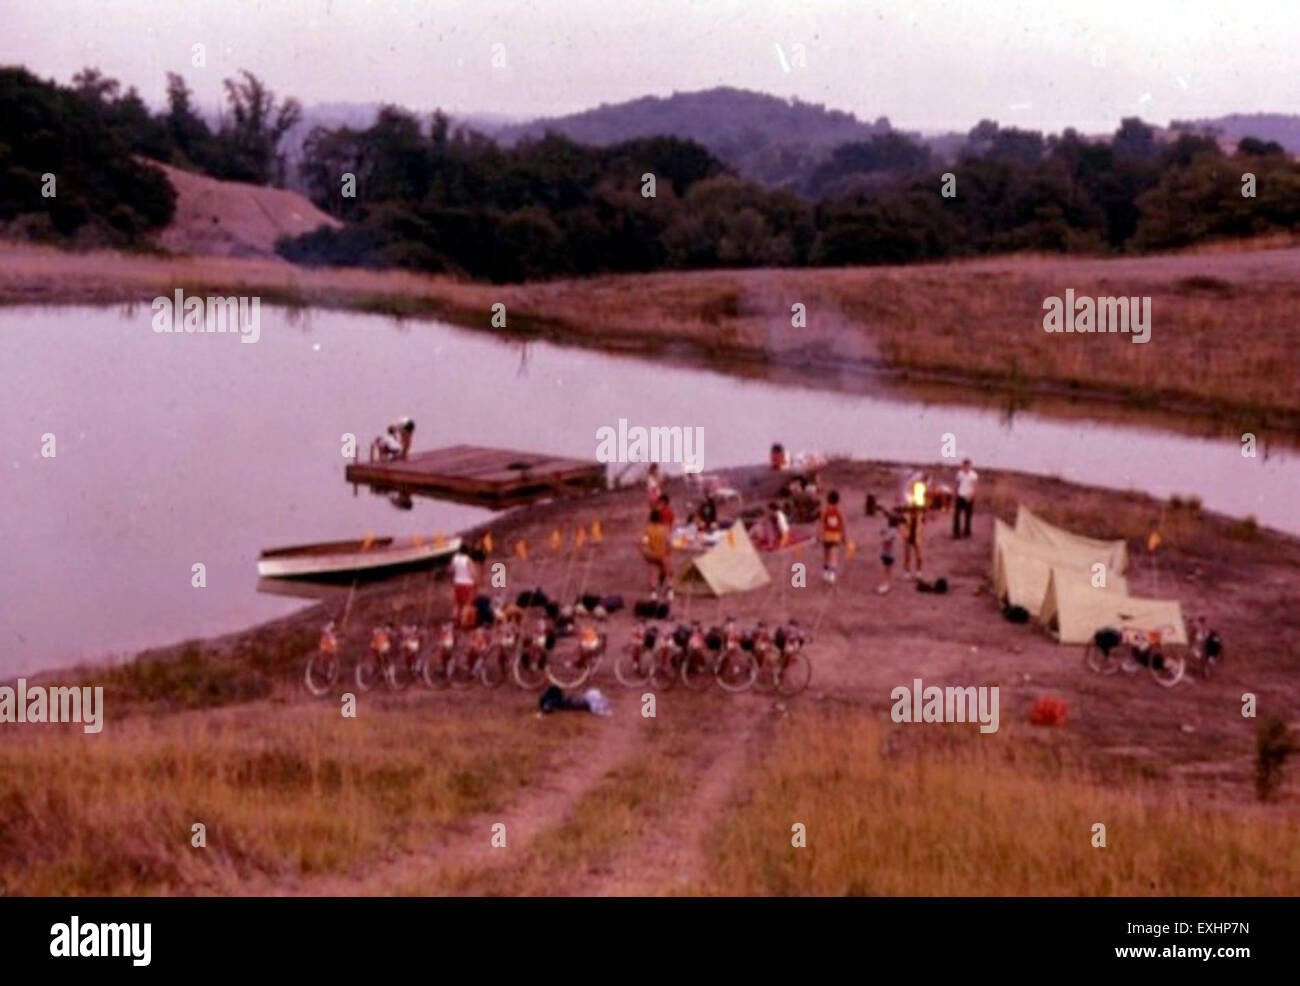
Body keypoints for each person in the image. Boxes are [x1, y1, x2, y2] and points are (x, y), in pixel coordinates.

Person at [641, 508, 673, 601]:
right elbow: (668, 543)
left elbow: (644, 542)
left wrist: (645, 553)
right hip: (662, 555)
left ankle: (653, 591)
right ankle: (669, 589)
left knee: (652, 569)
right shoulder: (664, 529)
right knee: (667, 567)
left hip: (651, 554)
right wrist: (668, 553)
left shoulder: (647, 529)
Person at [819, 489, 845, 584]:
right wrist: (844, 537)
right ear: (838, 500)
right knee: (833, 555)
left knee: (826, 555)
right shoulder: (839, 511)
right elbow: (842, 525)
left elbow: (821, 523)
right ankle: (832, 574)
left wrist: (819, 535)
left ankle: (825, 572)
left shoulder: (825, 510)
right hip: (835, 536)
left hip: (826, 535)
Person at [450, 545, 477, 622]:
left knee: (457, 603)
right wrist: (476, 581)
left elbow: (451, 570)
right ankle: (464, 620)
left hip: (457, 583)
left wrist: (453, 580)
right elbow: (473, 573)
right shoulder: (468, 560)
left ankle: (455, 619)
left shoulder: (454, 559)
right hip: (467, 584)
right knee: (467, 603)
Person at [953, 458, 978, 539]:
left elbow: (974, 487)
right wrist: (956, 495)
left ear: (970, 466)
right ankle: (956, 533)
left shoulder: (974, 475)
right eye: (965, 465)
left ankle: (967, 532)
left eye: (968, 465)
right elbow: (957, 485)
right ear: (963, 465)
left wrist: (971, 496)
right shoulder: (959, 474)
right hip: (960, 496)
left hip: (968, 497)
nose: (966, 467)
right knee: (957, 515)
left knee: (968, 516)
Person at [877, 512, 900, 594]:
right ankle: (887, 584)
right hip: (887, 553)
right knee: (887, 569)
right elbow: (882, 532)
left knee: (887, 570)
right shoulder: (894, 530)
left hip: (888, 553)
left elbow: (888, 539)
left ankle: (887, 584)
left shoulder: (892, 530)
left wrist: (885, 539)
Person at [902, 500, 925, 581]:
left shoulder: (920, 516)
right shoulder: (906, 516)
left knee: (919, 556)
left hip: (916, 537)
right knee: (907, 556)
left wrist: (920, 535)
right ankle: (907, 571)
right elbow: (903, 527)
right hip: (908, 537)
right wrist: (905, 536)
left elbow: (922, 526)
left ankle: (918, 571)